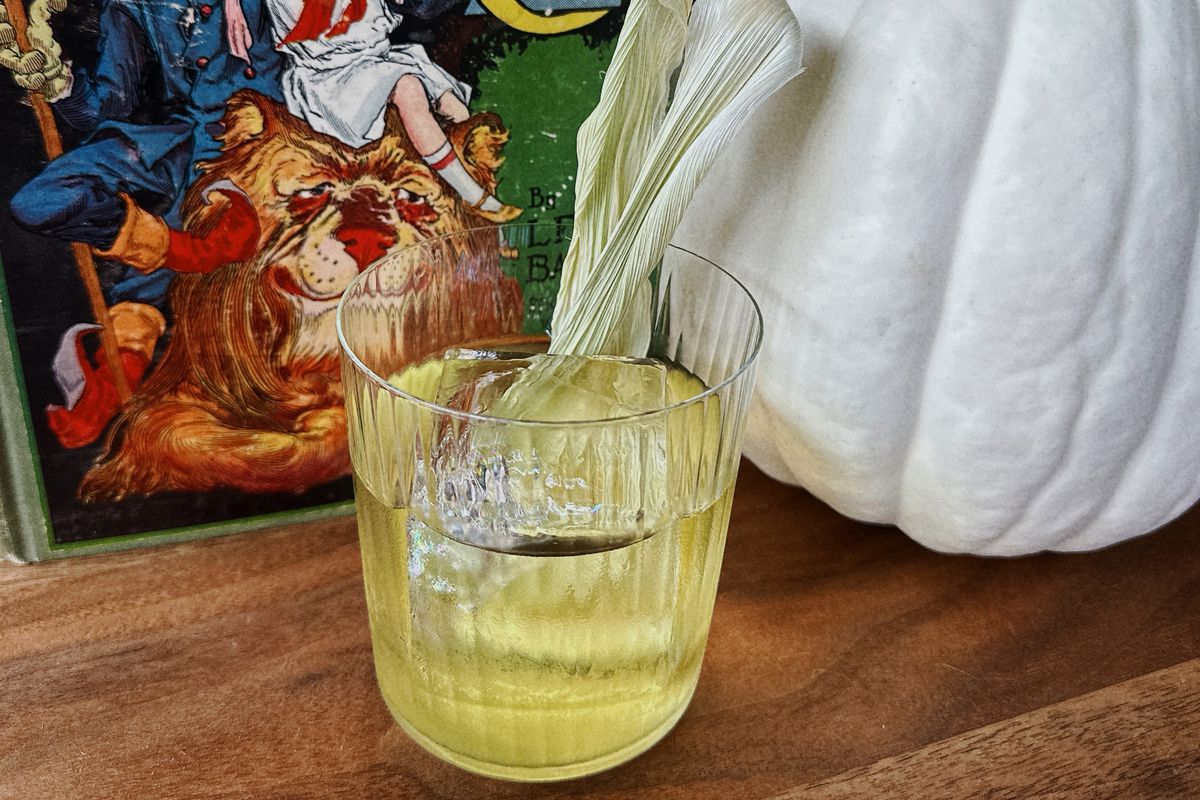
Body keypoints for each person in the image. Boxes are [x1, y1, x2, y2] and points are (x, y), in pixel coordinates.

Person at [5, 0, 285, 447]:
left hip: (262, 145)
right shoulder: (130, 7)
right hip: (182, 141)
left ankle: (120, 370)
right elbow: (107, 106)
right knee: (40, 202)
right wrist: (58, 82)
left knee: (214, 244)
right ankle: (159, 273)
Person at [227, 0, 520, 221]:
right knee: (409, 90)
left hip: (373, 58)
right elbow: (324, 35)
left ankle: (473, 193)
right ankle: (474, 198)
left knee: (453, 105)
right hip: (328, 79)